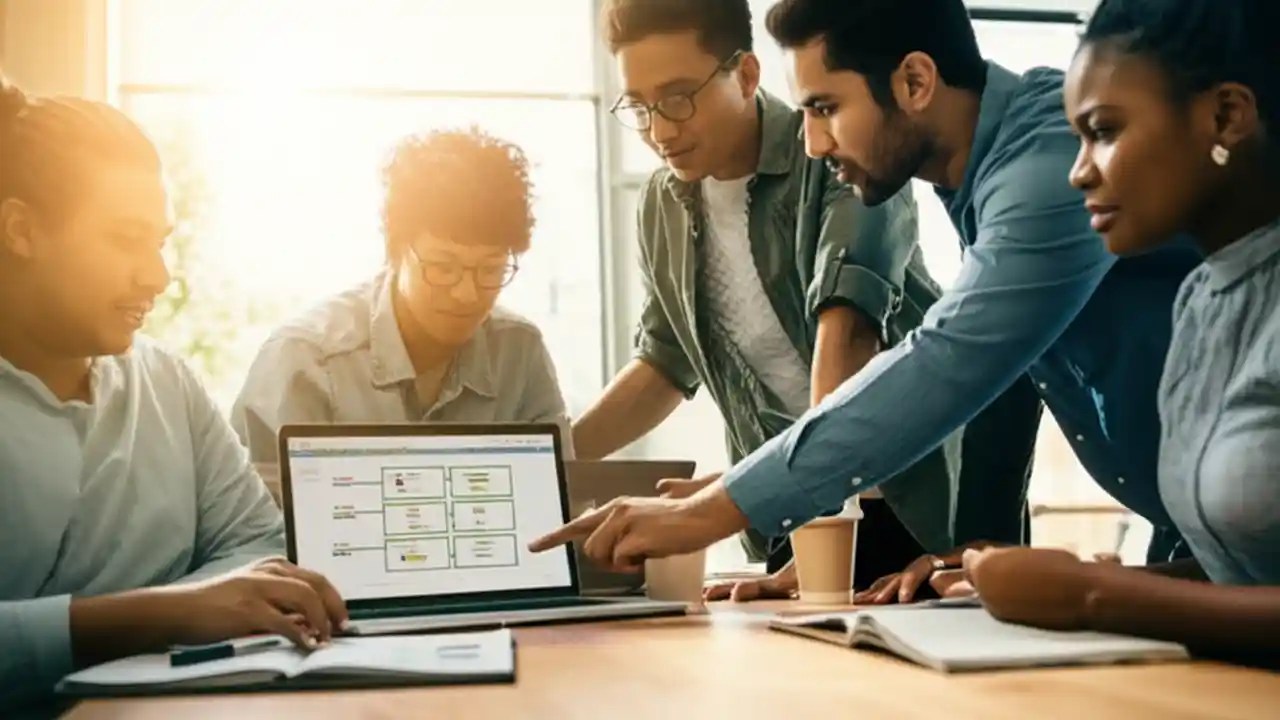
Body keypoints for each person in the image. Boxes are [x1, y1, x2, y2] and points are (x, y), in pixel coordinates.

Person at [529, 0, 1202, 587]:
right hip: (1195, 536)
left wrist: (705, 514)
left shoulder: (1044, 165)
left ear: (914, 81)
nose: (815, 143)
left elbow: (946, 361)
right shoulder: (974, 172)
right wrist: (979, 540)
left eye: (826, 108)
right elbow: (1011, 366)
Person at [569, 0, 1040, 597]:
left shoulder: (850, 150)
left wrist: (811, 513)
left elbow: (848, 330)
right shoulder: (662, 204)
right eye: (639, 106)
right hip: (794, 504)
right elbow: (665, 359)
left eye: (680, 96)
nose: (661, 129)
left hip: (904, 500)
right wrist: (552, 456)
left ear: (744, 75)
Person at [0, 78, 347, 712]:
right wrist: (161, 613)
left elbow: (256, 547)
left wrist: (194, 610)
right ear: (21, 229)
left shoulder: (168, 382)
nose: (157, 276)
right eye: (124, 239)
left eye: (159, 242)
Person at [961, 0, 1280, 659]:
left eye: (1103, 131)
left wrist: (1091, 596)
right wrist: (1061, 586)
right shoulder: (1201, 300)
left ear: (1226, 115)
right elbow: (1246, 574)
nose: (1078, 171)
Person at [232, 128, 569, 483]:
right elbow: (253, 527)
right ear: (395, 251)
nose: (467, 293)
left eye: (491, 269)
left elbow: (562, 509)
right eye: (443, 267)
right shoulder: (305, 359)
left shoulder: (519, 351)